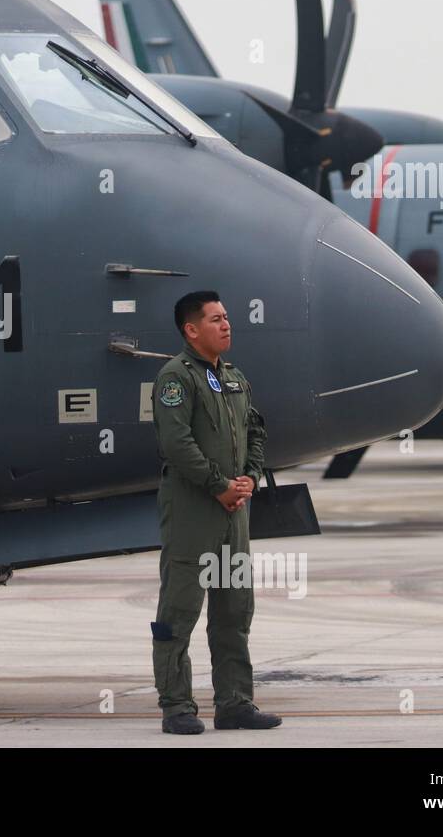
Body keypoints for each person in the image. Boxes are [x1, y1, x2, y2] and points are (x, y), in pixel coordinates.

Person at [150, 290, 281, 734]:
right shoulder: (175, 378)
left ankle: (234, 703)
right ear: (191, 329)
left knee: (234, 612)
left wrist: (249, 478)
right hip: (193, 514)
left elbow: (256, 430)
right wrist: (218, 485)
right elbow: (176, 443)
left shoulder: (235, 378)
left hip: (234, 512)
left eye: (227, 318)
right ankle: (177, 707)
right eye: (215, 319)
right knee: (179, 613)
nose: (226, 325)